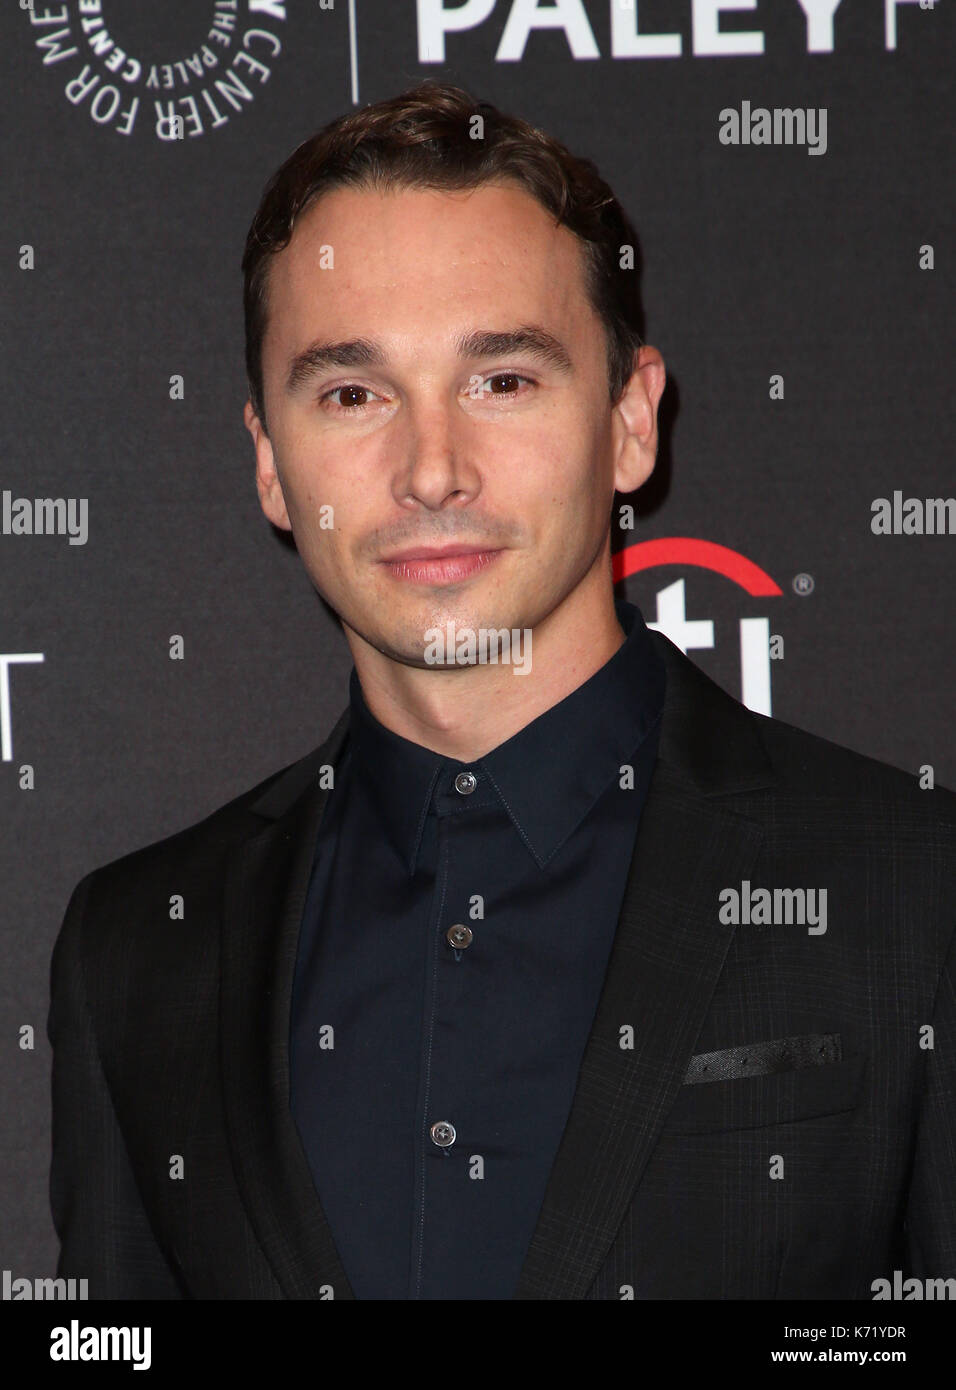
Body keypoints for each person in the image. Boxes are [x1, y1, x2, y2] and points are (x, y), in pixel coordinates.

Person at [48, 80, 955, 1301]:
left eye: (503, 380)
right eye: (352, 393)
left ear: (629, 422)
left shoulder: (908, 891)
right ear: (270, 461)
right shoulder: (139, 950)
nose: (430, 470)